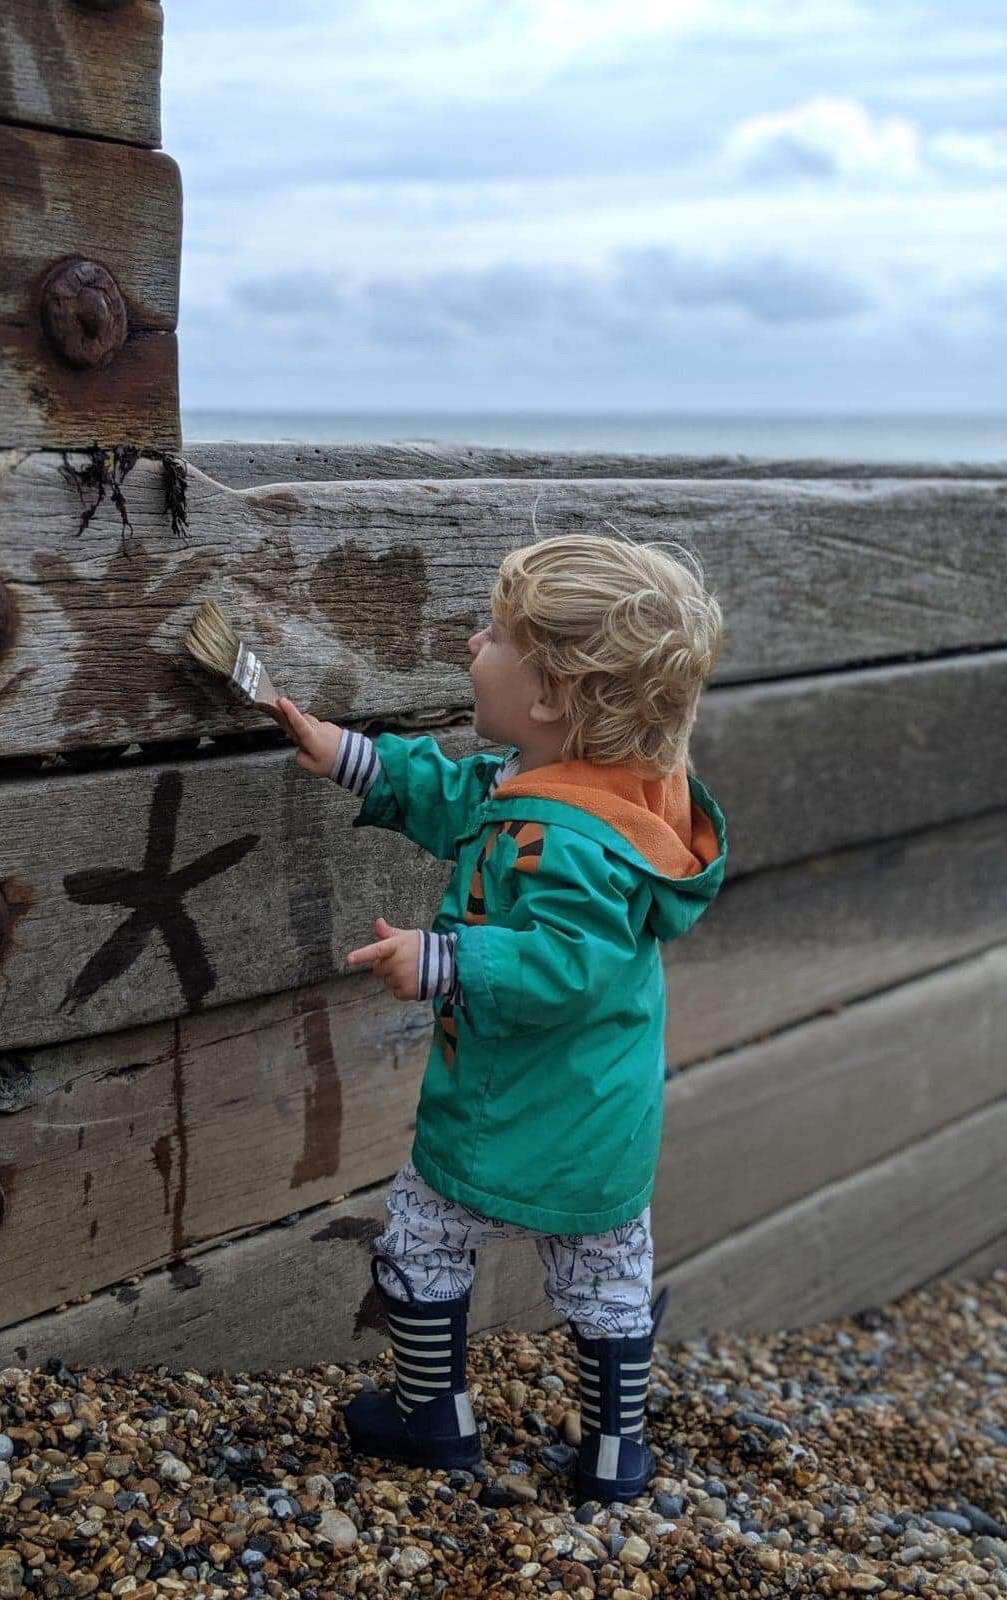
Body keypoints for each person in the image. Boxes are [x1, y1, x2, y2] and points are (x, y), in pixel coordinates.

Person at [277, 531, 727, 1503]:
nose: (473, 642)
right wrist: (347, 754)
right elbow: (459, 798)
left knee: (425, 1237)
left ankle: (434, 1417)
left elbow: (571, 963)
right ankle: (613, 1453)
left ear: (552, 696)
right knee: (605, 1278)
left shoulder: (576, 840)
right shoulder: (583, 794)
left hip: (508, 1110)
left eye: (494, 634)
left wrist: (444, 960)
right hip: (596, 1125)